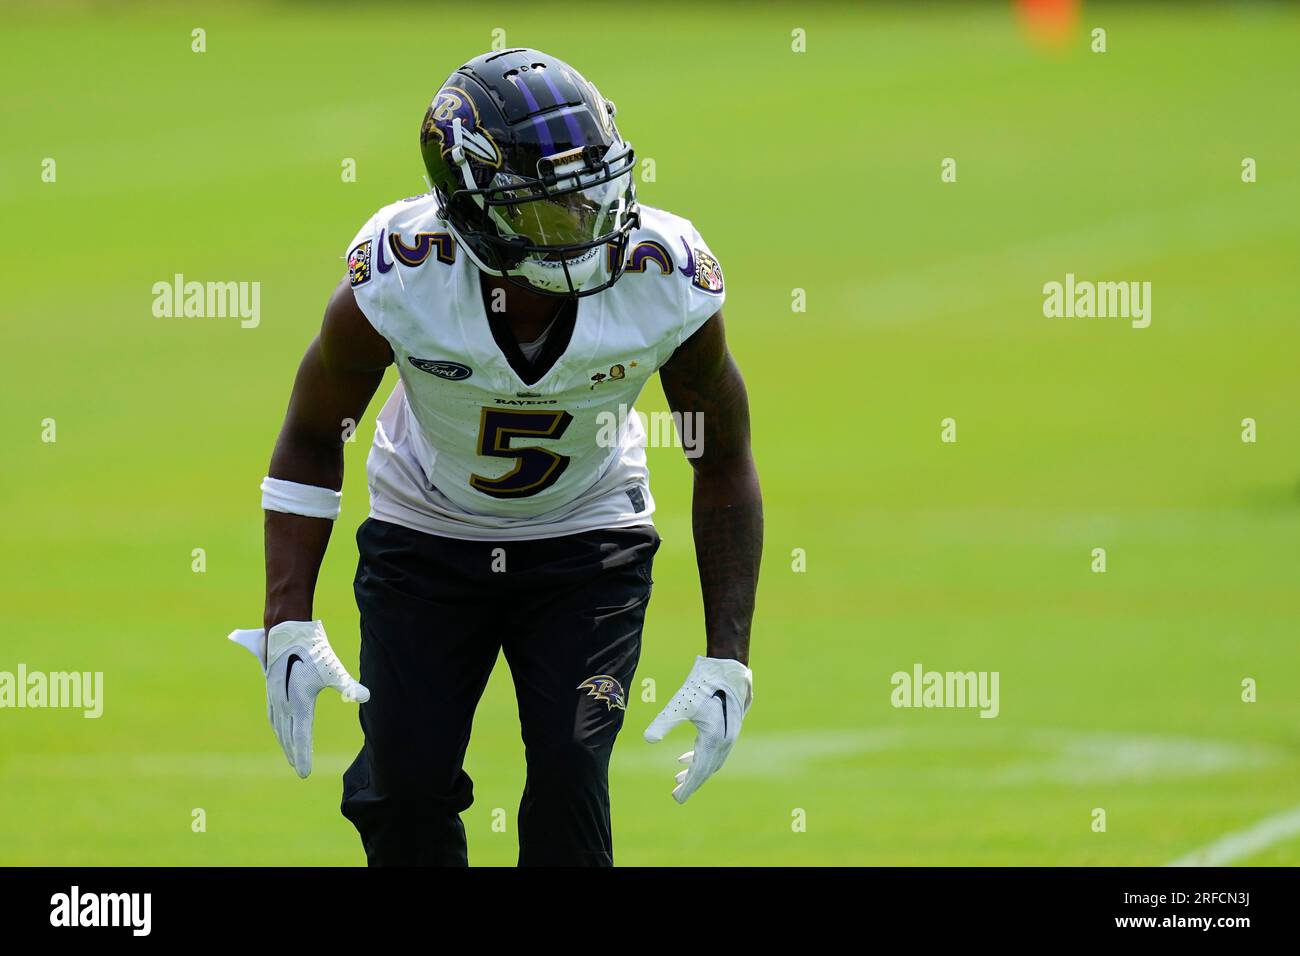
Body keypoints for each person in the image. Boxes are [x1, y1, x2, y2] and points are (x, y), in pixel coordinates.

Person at [229, 48, 762, 866]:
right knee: (401, 792)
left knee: (571, 774)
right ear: (471, 213)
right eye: (550, 209)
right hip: (426, 536)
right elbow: (312, 433)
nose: (586, 221)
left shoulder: (665, 275)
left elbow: (720, 455)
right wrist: (286, 617)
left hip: (588, 543)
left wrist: (729, 655)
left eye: (592, 190)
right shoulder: (404, 275)